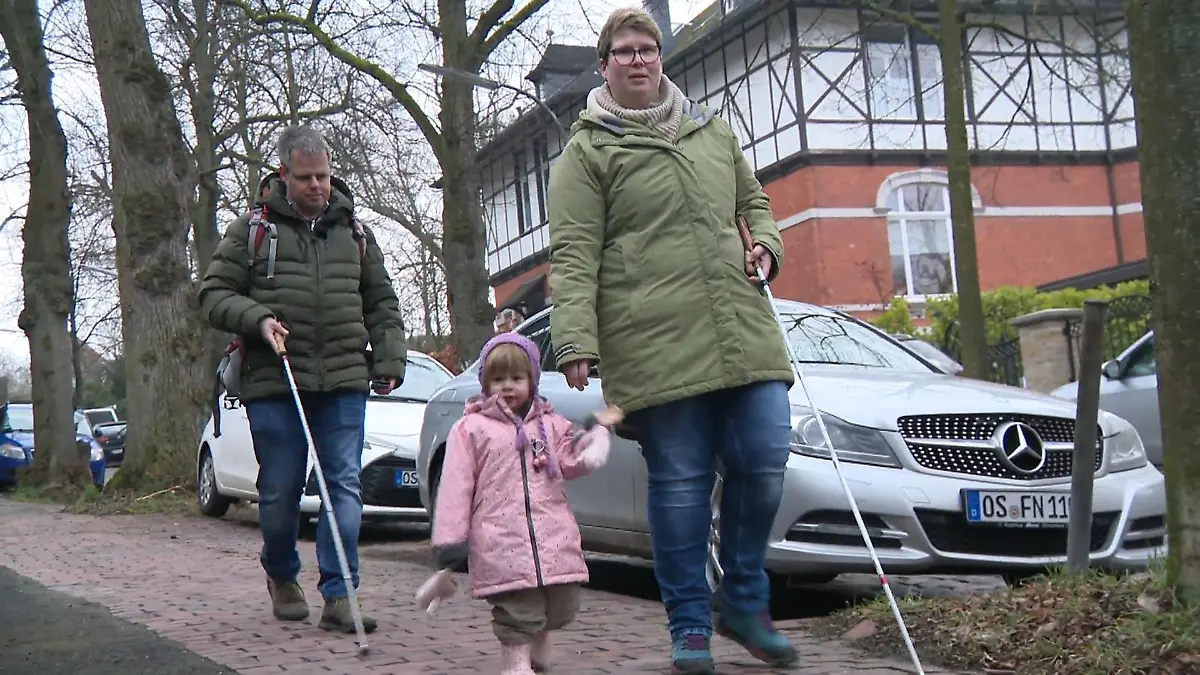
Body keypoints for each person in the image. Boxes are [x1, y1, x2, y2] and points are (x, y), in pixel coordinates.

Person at [546, 7, 798, 674]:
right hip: (652, 340)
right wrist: (575, 336)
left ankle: (744, 598)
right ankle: (690, 624)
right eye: (623, 51)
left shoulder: (712, 133)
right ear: (604, 66)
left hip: (741, 329)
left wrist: (767, 249)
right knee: (682, 485)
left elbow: (755, 209)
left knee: (766, 457)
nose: (637, 59)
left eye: (647, 48)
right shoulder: (586, 153)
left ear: (661, 57)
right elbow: (573, 253)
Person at [199, 125, 408, 633]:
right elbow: (211, 295)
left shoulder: (356, 233)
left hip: (343, 380)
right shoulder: (249, 232)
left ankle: (341, 594)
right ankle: (281, 572)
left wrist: (389, 359)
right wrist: (257, 319)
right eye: (307, 177)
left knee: (344, 486)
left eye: (325, 175)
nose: (318, 186)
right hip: (274, 380)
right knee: (280, 490)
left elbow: (381, 302)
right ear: (283, 175)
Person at [418, 333, 611, 675]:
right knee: (517, 610)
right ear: (485, 383)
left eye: (516, 378)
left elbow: (569, 462)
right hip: (500, 540)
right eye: (498, 379)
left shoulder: (551, 425)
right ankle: (516, 662)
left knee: (563, 604)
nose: (507, 386)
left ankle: (538, 644)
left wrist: (592, 443)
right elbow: (455, 488)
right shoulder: (471, 429)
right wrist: (450, 543)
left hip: (554, 536)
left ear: (532, 380)